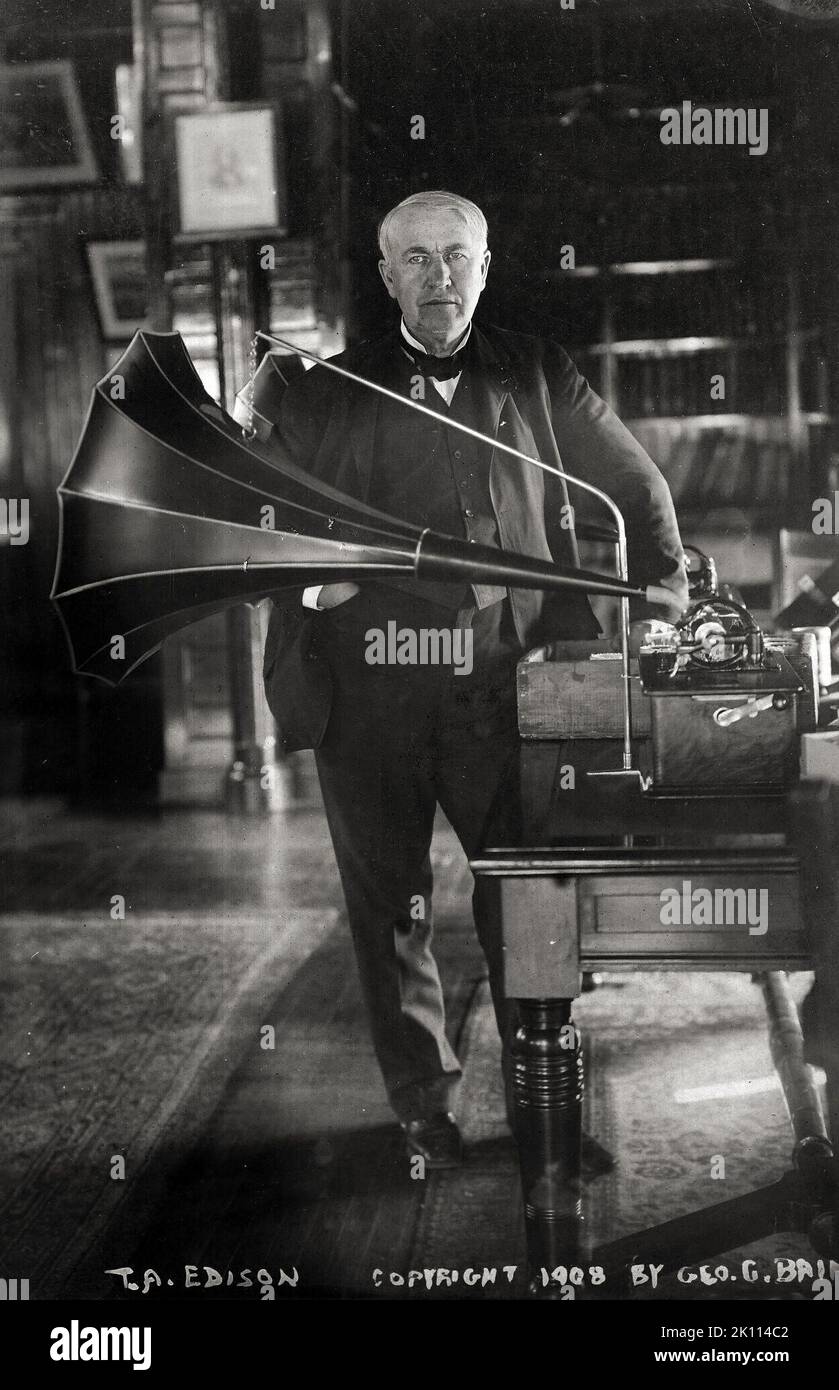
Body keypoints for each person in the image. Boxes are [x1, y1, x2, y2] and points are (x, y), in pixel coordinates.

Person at [258, 190, 688, 1167]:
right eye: (414, 259)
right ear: (384, 275)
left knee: (531, 900)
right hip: (363, 690)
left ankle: (548, 1107)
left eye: (455, 256)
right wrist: (310, 586)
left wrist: (652, 605)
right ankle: (421, 1106)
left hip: (505, 685)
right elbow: (259, 523)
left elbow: (636, 491)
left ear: (484, 267)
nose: (437, 276)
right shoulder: (325, 388)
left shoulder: (536, 372)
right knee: (390, 904)